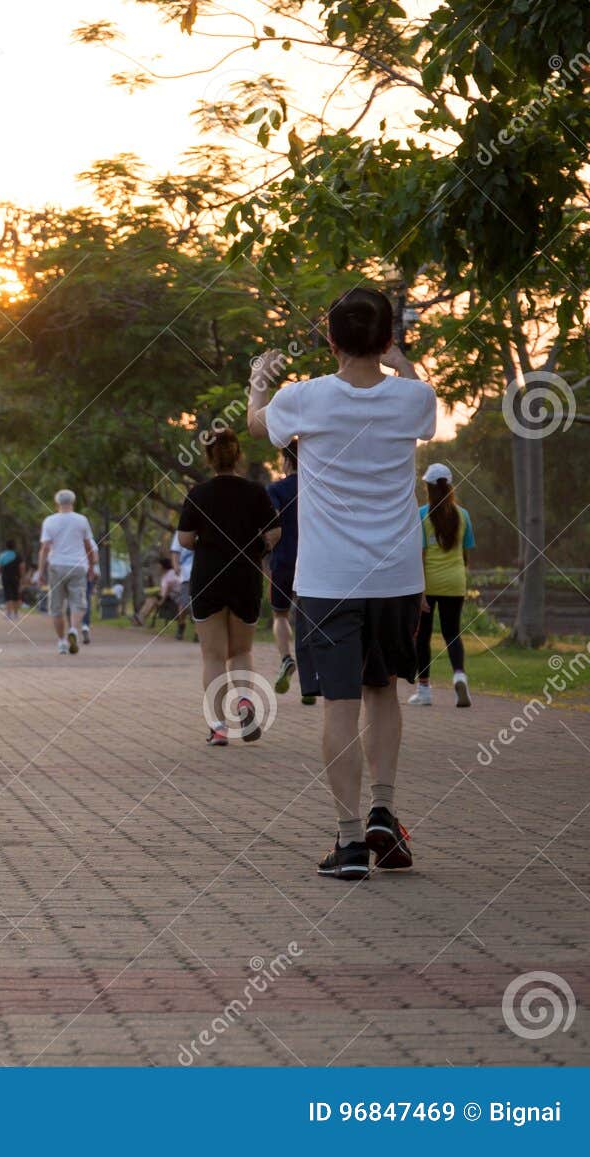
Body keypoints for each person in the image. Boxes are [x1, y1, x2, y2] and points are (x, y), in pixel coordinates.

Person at [249, 287, 436, 881]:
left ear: (330, 340)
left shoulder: (302, 399)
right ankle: (384, 808)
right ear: (385, 339)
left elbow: (258, 427)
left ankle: (350, 840)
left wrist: (259, 380)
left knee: (339, 703)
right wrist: (399, 361)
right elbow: (414, 391)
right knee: (383, 692)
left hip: (328, 580)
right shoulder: (414, 399)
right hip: (397, 576)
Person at [177, 430, 280, 746]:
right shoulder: (255, 491)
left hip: (208, 576)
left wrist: (207, 545)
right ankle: (246, 703)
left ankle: (219, 725)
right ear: (238, 456)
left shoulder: (198, 493)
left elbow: (184, 539)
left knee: (212, 655)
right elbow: (275, 531)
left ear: (209, 458)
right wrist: (257, 549)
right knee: (241, 651)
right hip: (245, 575)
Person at [409, 462, 475, 708]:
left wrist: (421, 593)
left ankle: (424, 690)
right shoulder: (464, 515)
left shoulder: (421, 515)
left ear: (427, 487)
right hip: (455, 582)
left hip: (429, 583)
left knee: (422, 636)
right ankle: (459, 675)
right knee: (452, 633)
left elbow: (420, 556)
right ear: (450, 486)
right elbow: (465, 554)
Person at [37, 489, 97, 655]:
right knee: (78, 602)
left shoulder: (49, 521)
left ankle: (62, 641)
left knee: (56, 606)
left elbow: (45, 548)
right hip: (78, 566)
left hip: (56, 565)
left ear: (57, 503)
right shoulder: (82, 520)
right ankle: (73, 629)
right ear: (73, 502)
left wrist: (40, 571)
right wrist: (91, 567)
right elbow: (88, 547)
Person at [266, 439, 301, 697]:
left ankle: (286, 658)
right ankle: (311, 672)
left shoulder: (276, 489)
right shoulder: (319, 486)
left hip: (283, 560)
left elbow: (273, 527)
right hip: (315, 562)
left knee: (280, 614)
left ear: (286, 460)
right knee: (310, 615)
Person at [133, 557, 183, 625]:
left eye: (159, 565)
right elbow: (165, 588)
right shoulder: (166, 574)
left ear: (163, 566)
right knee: (149, 599)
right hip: (167, 596)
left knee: (152, 600)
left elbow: (169, 588)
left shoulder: (170, 574)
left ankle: (140, 618)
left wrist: (161, 600)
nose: (158, 567)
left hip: (173, 597)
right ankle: (140, 617)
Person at [0, 540, 23, 620]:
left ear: (6, 546)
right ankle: (16, 614)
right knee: (15, 595)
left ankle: (8, 614)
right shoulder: (18, 555)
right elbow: (22, 567)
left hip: (6, 577)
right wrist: (21, 577)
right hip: (16, 577)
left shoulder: (2, 555)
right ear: (14, 546)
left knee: (8, 595)